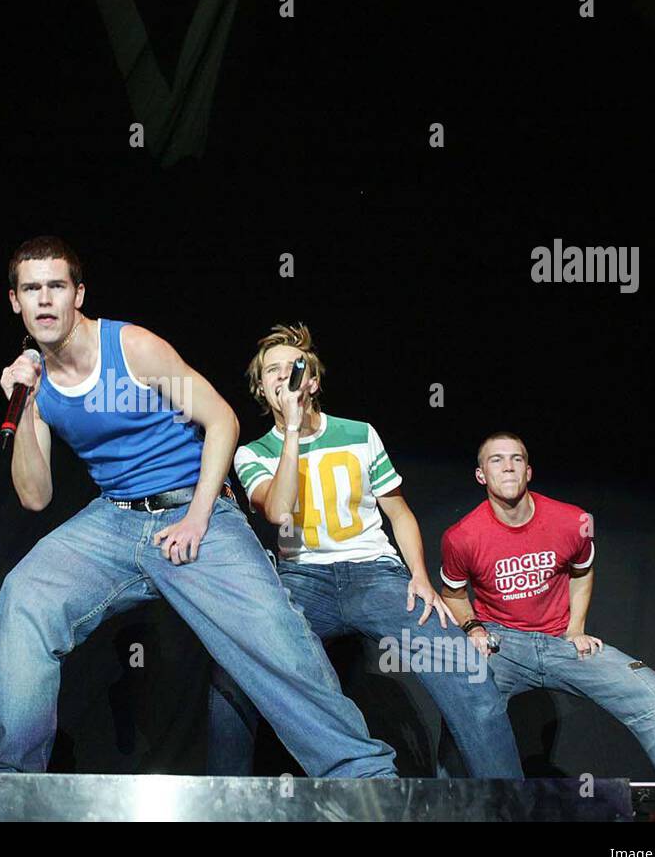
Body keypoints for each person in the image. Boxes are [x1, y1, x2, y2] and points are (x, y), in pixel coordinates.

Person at [0, 236, 397, 777]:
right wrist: (27, 406)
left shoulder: (132, 348)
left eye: (56, 286)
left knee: (275, 638)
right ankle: (6, 780)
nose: (45, 300)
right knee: (26, 593)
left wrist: (197, 516)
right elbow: (35, 496)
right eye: (32, 289)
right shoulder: (34, 382)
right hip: (114, 517)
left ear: (78, 294)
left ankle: (363, 775)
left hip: (195, 507)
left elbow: (222, 419)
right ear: (15, 301)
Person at [208, 324, 522, 777]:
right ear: (262, 388)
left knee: (464, 667)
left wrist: (419, 575)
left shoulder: (359, 434)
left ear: (311, 380)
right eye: (270, 372)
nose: (282, 377)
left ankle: (507, 801)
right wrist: (292, 431)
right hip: (301, 578)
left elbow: (399, 513)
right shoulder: (251, 452)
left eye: (292, 368)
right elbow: (277, 510)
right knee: (233, 666)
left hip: (375, 572)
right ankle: (221, 804)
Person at [438, 432, 655, 781]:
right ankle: (449, 808)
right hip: (502, 645)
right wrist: (473, 628)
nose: (508, 467)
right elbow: (453, 594)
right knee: (460, 702)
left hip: (561, 641)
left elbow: (582, 572)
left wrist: (575, 629)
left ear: (528, 472)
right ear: (481, 475)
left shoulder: (572, 521)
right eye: (496, 460)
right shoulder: (461, 537)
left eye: (517, 459)